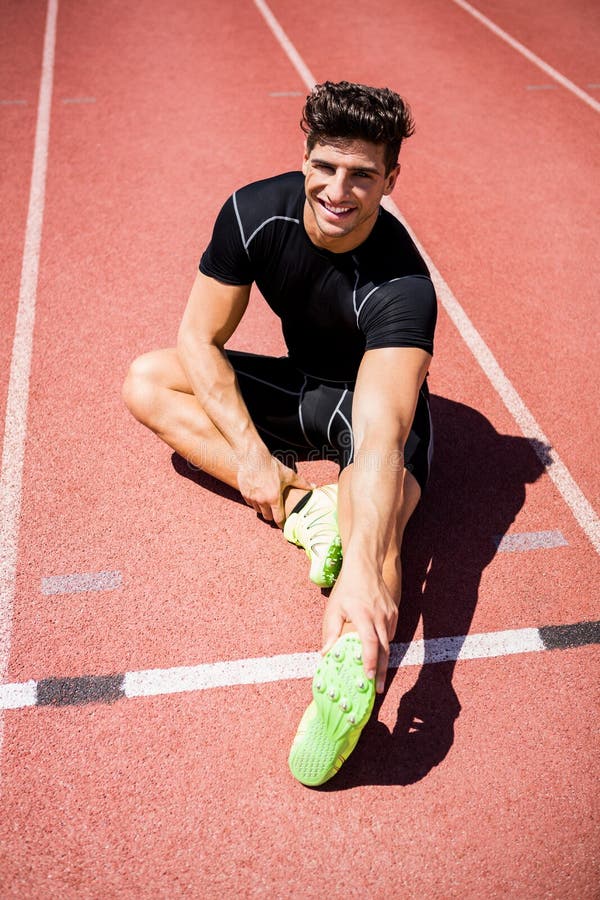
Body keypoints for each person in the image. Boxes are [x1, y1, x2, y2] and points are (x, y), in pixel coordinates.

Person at [122, 81, 437, 786]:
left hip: (370, 412)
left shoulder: (404, 287)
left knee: (373, 527)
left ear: (390, 179)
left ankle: (350, 677)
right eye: (326, 166)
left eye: (362, 174)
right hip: (301, 395)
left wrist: (361, 568)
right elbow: (198, 339)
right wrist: (254, 463)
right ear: (304, 157)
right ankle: (305, 512)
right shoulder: (253, 214)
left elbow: (382, 436)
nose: (339, 189)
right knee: (147, 380)